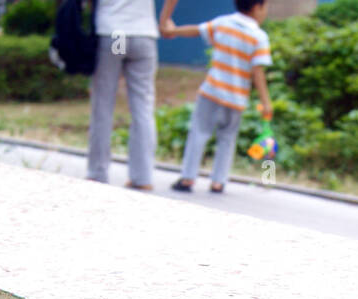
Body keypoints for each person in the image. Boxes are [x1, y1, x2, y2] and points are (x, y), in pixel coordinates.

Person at [160, 0, 273, 195]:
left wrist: (173, 31)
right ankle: (218, 182)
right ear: (257, 7)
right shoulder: (259, 37)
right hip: (236, 99)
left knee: (199, 133)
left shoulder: (223, 23)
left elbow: (197, 30)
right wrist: (266, 102)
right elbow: (258, 73)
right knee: (227, 139)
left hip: (212, 91)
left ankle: (188, 178)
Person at [87, 0, 160, 190]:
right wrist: (165, 19)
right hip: (144, 34)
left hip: (116, 32)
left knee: (103, 102)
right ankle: (142, 176)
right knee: (143, 106)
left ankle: (98, 172)